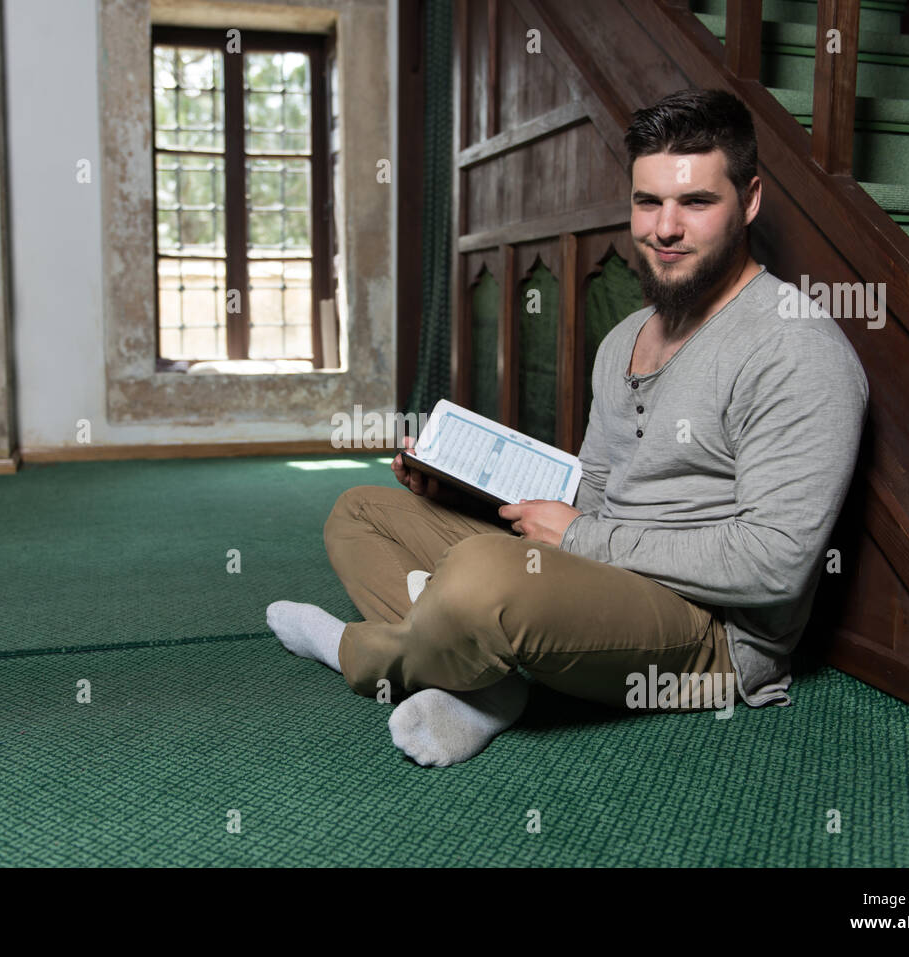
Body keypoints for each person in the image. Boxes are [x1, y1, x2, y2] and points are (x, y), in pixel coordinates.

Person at [267, 88, 869, 767]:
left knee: (478, 579)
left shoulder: (797, 346)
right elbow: (600, 488)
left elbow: (775, 564)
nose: (664, 228)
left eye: (696, 202)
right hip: (596, 569)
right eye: (648, 202)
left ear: (750, 200)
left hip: (708, 634)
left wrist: (581, 537)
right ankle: (485, 680)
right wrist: (459, 492)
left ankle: (362, 649)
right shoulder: (623, 340)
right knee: (360, 512)